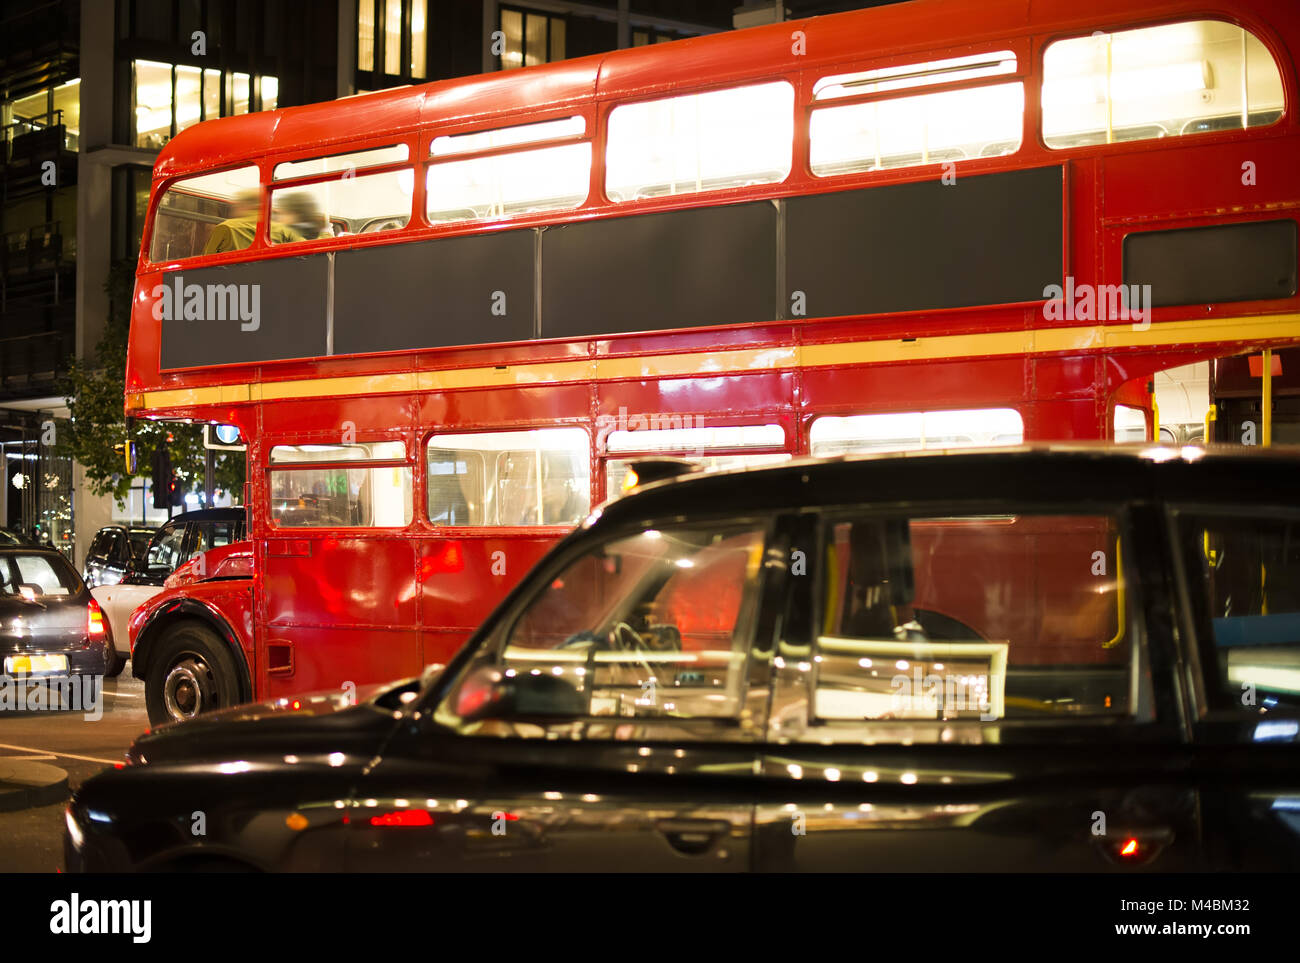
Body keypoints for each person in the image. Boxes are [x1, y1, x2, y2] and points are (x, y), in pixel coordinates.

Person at [203, 190, 302, 254]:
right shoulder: (285, 230)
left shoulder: (225, 227)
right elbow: (304, 252)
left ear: (246, 205)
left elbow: (206, 260)